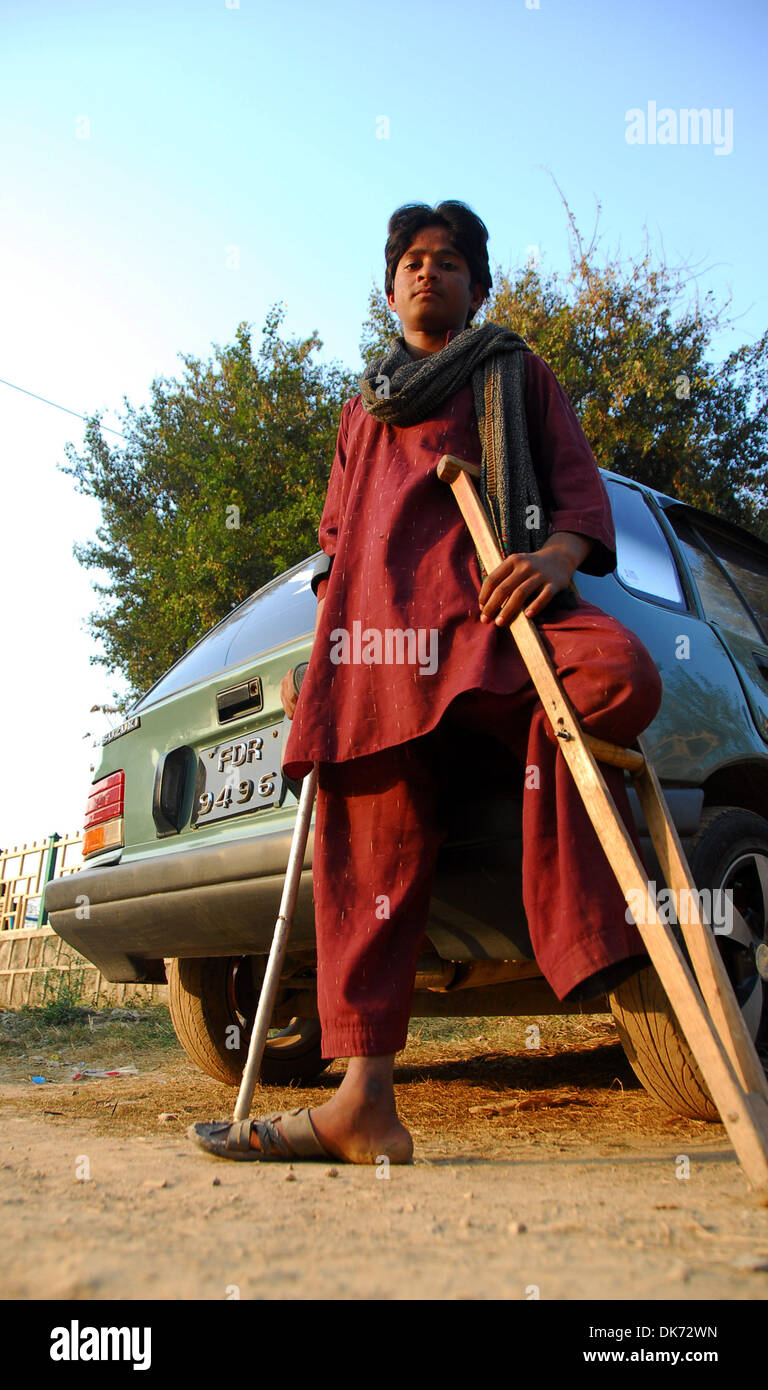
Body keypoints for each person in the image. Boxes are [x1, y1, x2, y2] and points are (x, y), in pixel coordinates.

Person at [193, 200, 663, 1165]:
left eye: (449, 261)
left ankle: (567, 906)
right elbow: (336, 552)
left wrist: (559, 556)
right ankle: (364, 1106)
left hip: (495, 624)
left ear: (476, 284)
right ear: (390, 281)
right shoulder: (361, 410)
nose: (427, 272)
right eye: (411, 259)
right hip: (378, 654)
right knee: (369, 848)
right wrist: (320, 665)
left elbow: (575, 492)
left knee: (620, 675)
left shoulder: (516, 372)